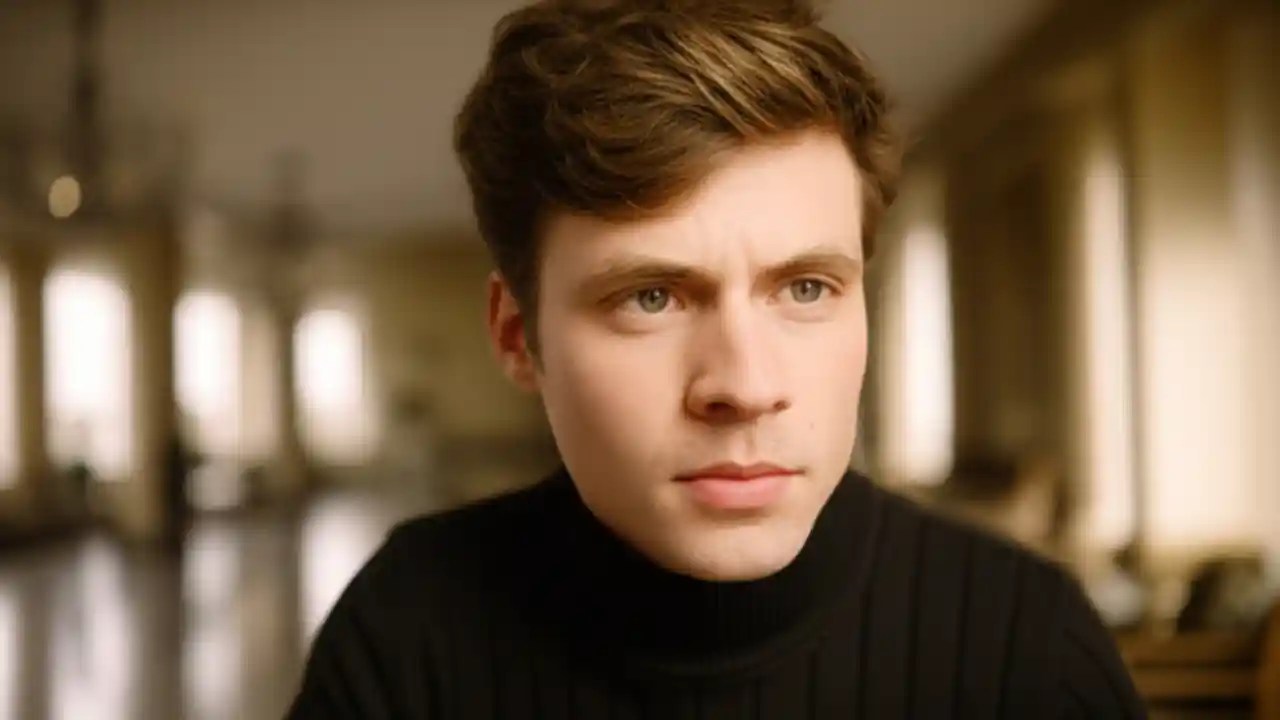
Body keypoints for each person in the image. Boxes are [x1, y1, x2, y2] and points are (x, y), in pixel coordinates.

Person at [287, 1, 1146, 717]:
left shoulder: (1029, 649)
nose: (746, 386)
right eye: (651, 297)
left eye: (806, 288)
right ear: (520, 337)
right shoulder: (404, 639)